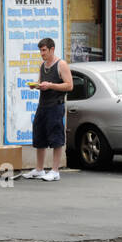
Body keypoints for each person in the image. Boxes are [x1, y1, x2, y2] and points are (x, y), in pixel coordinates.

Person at [23, 37, 72, 181]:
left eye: (44, 50)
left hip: (56, 106)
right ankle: (39, 169)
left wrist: (50, 85)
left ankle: (55, 171)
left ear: (52, 49)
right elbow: (41, 83)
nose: (42, 53)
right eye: (40, 50)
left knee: (56, 137)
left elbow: (69, 85)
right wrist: (36, 85)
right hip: (42, 105)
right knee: (39, 136)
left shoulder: (61, 64)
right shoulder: (42, 65)